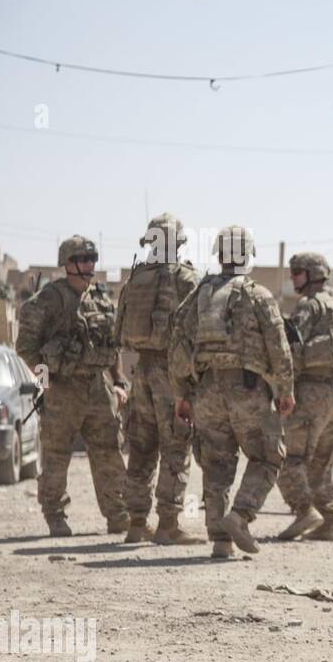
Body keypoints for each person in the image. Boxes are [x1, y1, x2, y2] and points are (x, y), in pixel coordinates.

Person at [168, 225, 294, 559]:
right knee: (269, 456)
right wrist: (285, 389)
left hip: (206, 391)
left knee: (216, 464)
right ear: (248, 255)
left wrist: (182, 393)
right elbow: (279, 346)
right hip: (248, 390)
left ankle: (220, 541)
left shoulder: (197, 295)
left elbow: (177, 347)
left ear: (220, 254)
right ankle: (240, 516)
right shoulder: (258, 295)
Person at [16, 236, 129, 537]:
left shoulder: (100, 299)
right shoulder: (48, 300)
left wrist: (118, 382)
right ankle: (55, 516)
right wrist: (45, 383)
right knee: (55, 455)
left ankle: (118, 515)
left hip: (97, 386)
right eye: (83, 259)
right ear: (67, 263)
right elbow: (26, 347)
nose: (90, 265)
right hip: (62, 388)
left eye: (92, 258)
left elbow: (112, 346)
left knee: (109, 451)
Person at [115, 214, 203, 545]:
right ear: (178, 243)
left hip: (142, 370)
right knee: (176, 447)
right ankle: (168, 524)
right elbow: (201, 329)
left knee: (140, 447)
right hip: (173, 373)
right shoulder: (186, 277)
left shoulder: (136, 278)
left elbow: (118, 330)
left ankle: (137, 523)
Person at [276, 252, 333, 543]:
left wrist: (283, 388)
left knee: (289, 459)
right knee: (323, 463)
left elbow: (292, 351)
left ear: (313, 274)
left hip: (311, 391)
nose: (292, 277)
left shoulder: (309, 306)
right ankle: (328, 523)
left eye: (297, 272)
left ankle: (304, 511)